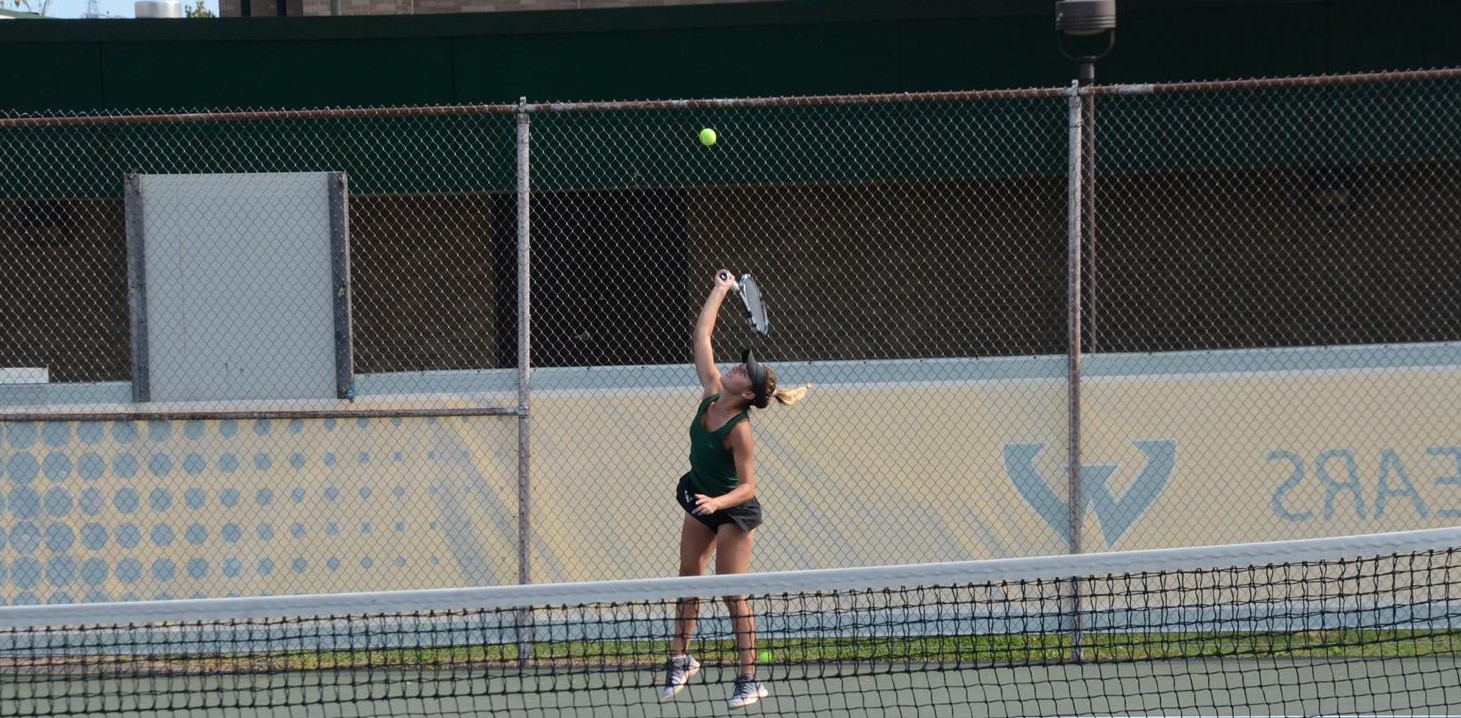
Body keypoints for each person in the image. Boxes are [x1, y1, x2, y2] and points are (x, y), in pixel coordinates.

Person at [659, 269, 809, 709]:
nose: (735, 366)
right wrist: (720, 290)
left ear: (748, 394)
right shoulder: (710, 392)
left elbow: (748, 487)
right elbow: (702, 334)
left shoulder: (740, 429)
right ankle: (681, 658)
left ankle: (748, 678)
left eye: (743, 370)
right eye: (739, 364)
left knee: (730, 589)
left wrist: (717, 503)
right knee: (688, 576)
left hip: (733, 509)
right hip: (702, 497)